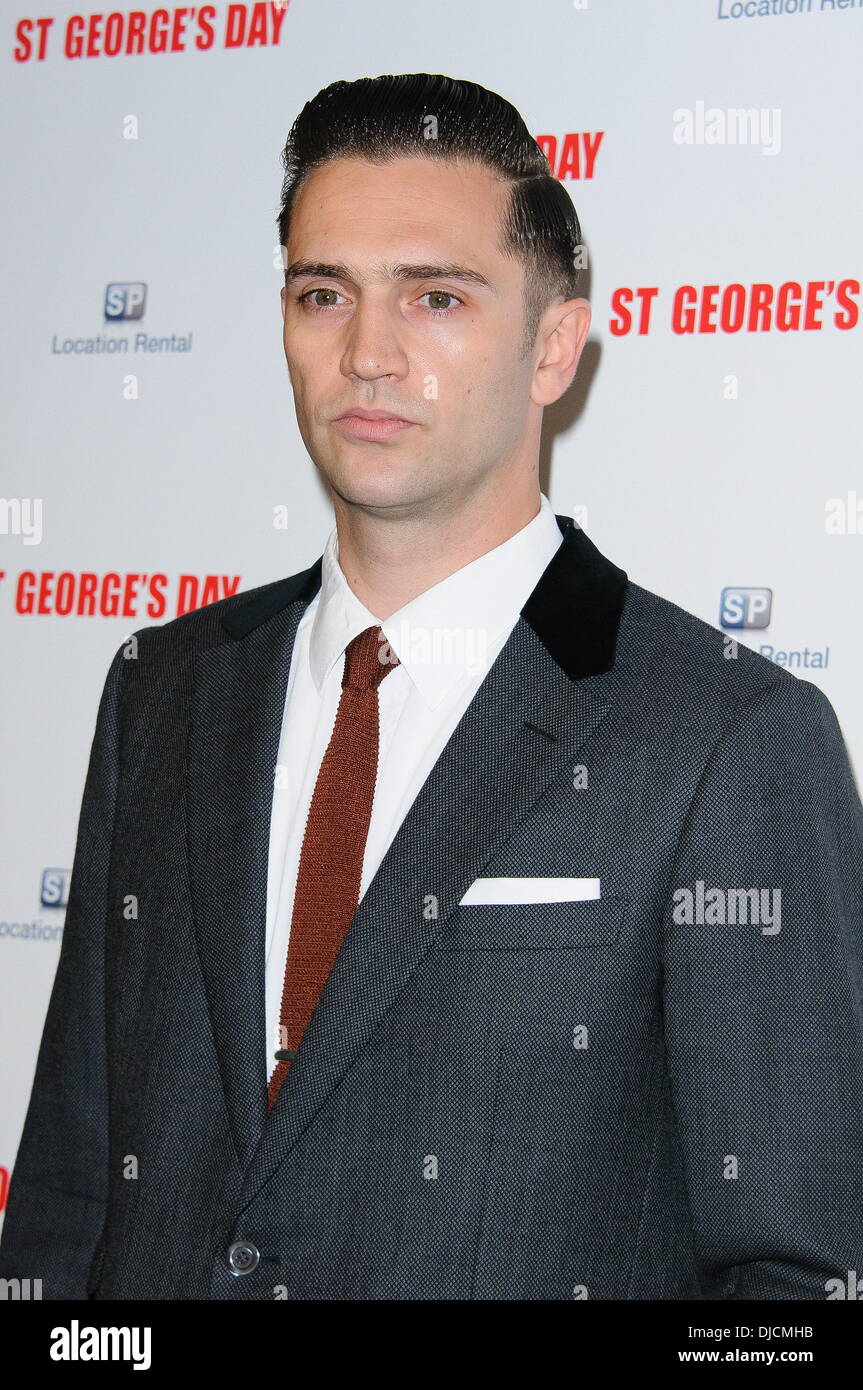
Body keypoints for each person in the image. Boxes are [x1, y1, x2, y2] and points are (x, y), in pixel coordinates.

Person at [2, 72, 861, 1301]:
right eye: (322, 294)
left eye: (436, 297)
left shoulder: (724, 736)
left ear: (552, 345)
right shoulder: (164, 694)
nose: (367, 351)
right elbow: (69, 1203)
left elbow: (799, 1280)